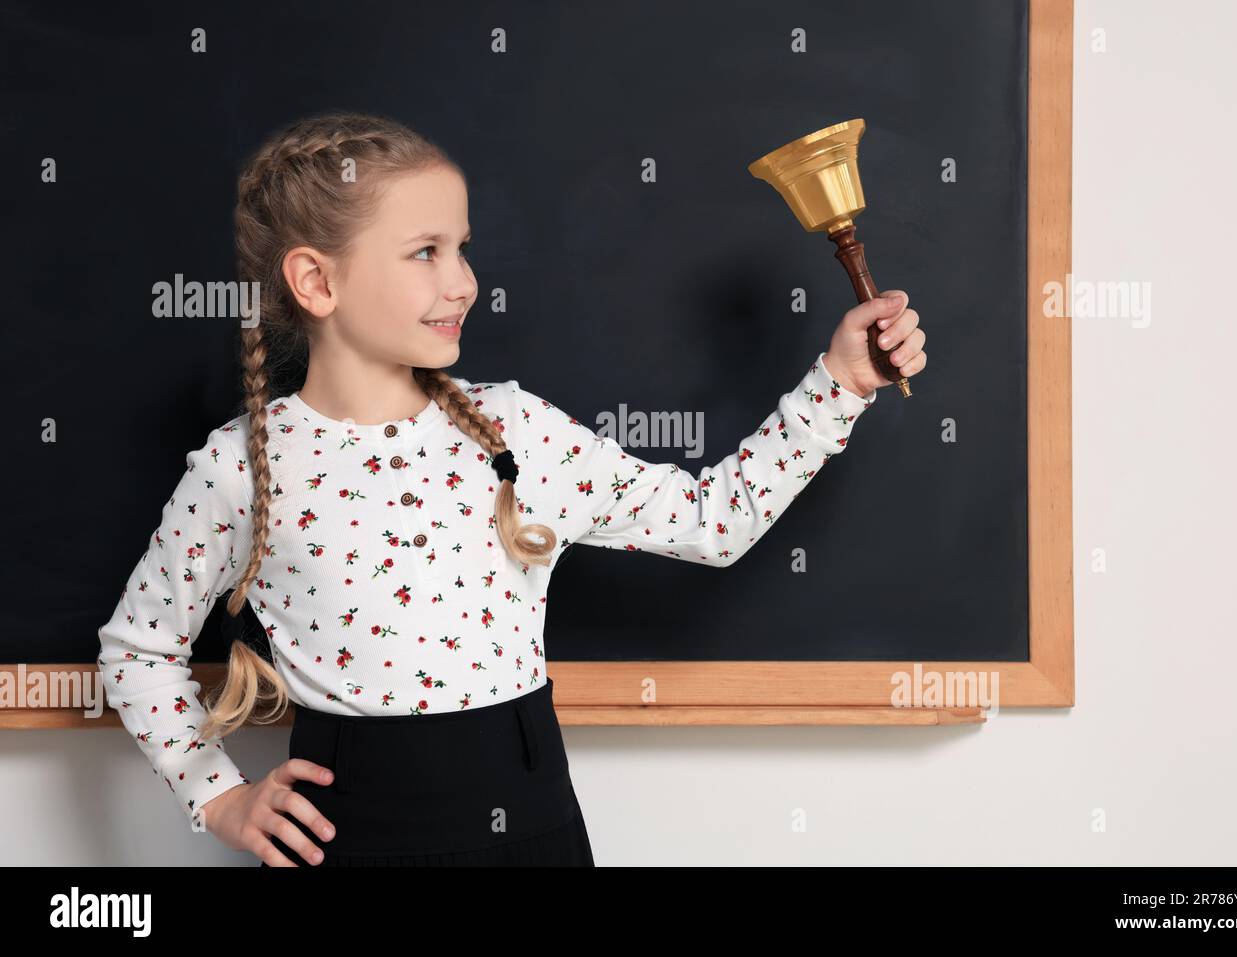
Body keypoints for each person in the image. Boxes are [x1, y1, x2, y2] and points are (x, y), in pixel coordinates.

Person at [96, 111, 928, 867]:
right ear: (317, 282)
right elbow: (138, 650)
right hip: (345, 839)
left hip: (528, 824)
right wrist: (220, 795)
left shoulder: (518, 432)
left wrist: (840, 384)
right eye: (426, 251)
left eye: (462, 248)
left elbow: (714, 521)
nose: (464, 281)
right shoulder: (241, 466)